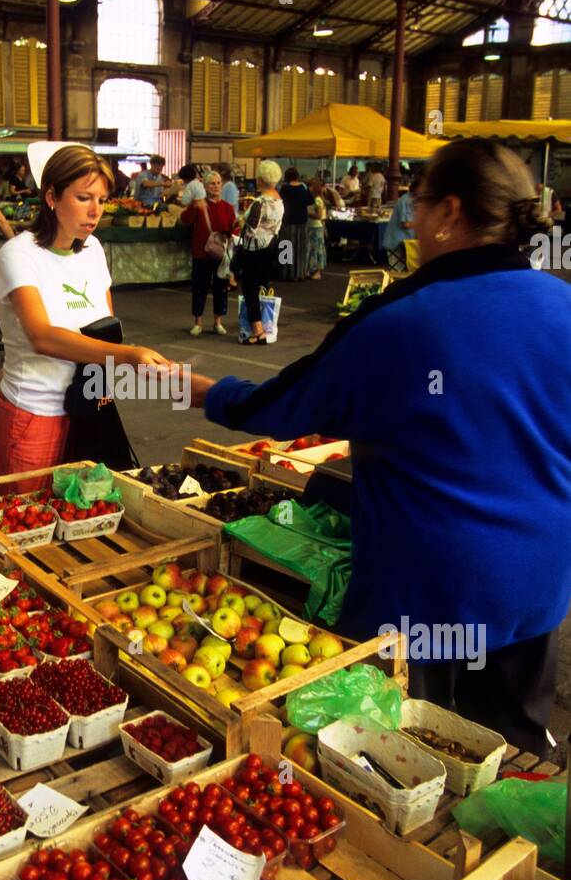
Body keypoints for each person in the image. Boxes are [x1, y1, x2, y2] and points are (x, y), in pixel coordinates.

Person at [188, 138, 571, 756]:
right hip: (538, 586)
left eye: (418, 204)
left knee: (399, 755)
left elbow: (286, 406)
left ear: (450, 212)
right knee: (512, 753)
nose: (409, 221)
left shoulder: (404, 319)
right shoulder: (564, 306)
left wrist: (204, 391)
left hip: (430, 594)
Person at [0, 142, 172, 480]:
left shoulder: (93, 250)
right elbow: (42, 336)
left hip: (89, 409)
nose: (95, 211)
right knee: (29, 508)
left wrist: (141, 366)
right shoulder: (19, 254)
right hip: (35, 413)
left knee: (88, 506)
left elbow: (104, 329)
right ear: (52, 196)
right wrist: (128, 355)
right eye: (84, 198)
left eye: (102, 200)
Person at [181, 171, 238, 336]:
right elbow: (185, 219)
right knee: (199, 288)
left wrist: (231, 233)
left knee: (221, 288)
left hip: (221, 255)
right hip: (201, 253)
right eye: (212, 183)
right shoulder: (200, 206)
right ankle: (198, 322)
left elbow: (234, 227)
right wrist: (193, 205)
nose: (216, 186)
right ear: (205, 187)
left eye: (218, 183)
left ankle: (217, 322)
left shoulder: (228, 207)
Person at [236, 160, 284, 345]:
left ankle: (258, 330)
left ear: (262, 179)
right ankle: (266, 324)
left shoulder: (260, 202)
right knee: (263, 286)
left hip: (254, 249)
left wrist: (241, 221)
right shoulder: (279, 201)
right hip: (271, 246)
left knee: (250, 288)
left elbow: (250, 229)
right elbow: (277, 227)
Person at [279, 166, 310, 281]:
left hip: (288, 221)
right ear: (297, 176)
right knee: (300, 248)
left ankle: (286, 273)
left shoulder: (284, 188)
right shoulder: (303, 187)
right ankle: (299, 273)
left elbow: (280, 202)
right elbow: (310, 201)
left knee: (286, 246)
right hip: (302, 221)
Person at [383, 180, 416, 272]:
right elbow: (405, 224)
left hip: (406, 243)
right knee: (398, 273)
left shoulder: (412, 200)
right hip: (398, 244)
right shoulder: (406, 200)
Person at [306, 177, 327, 280]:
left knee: (316, 250)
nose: (309, 188)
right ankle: (311, 270)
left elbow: (319, 215)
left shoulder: (318, 200)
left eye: (311, 186)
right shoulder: (313, 199)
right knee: (311, 250)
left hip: (316, 227)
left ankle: (316, 271)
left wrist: (307, 212)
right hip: (311, 227)